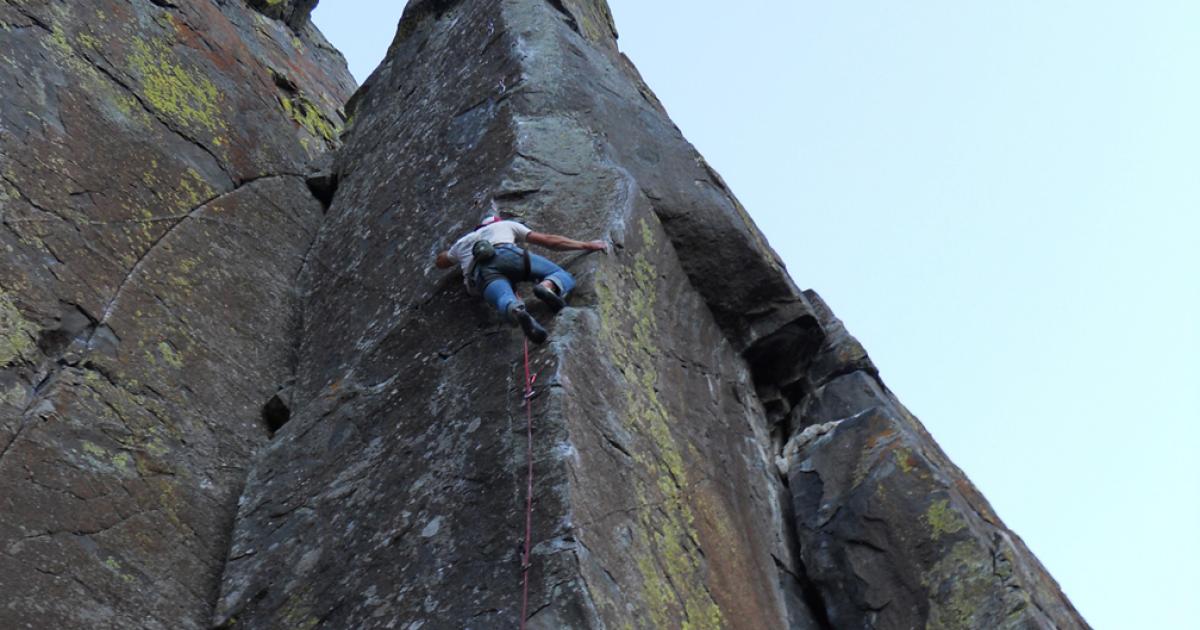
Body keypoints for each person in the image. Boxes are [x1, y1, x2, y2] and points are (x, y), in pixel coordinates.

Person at [436, 214, 608, 343]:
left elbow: (441, 262)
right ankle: (547, 286)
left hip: (480, 273)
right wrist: (586, 245)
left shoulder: (463, 242)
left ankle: (516, 310)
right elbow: (549, 241)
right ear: (496, 221)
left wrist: (450, 253)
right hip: (506, 253)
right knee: (562, 275)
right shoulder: (505, 225)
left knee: (505, 298)